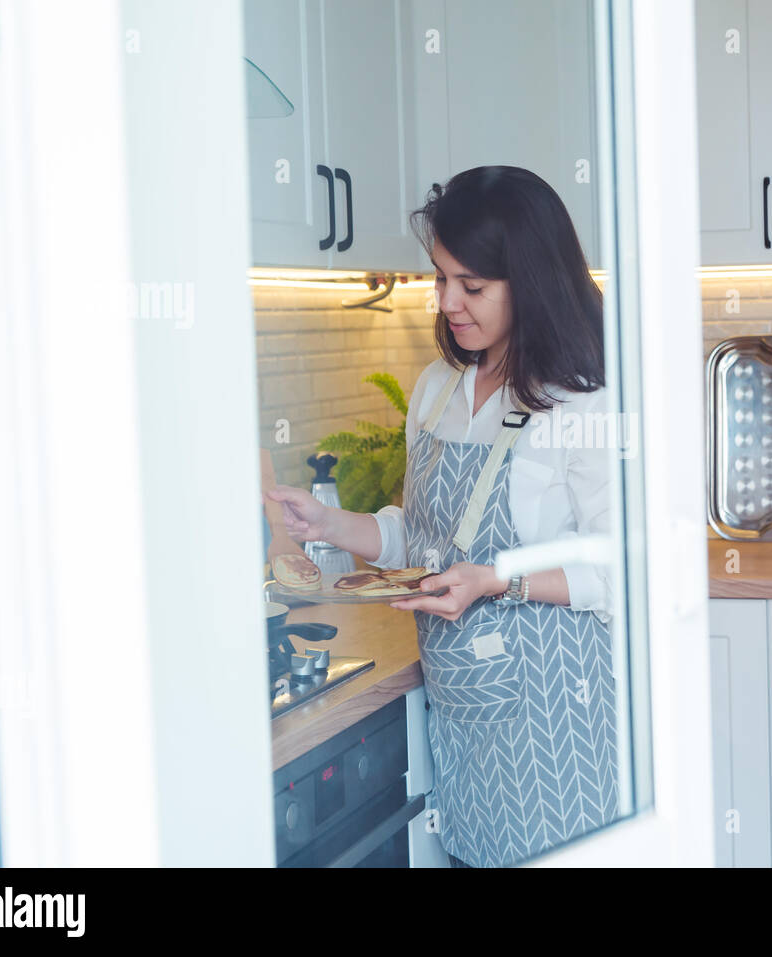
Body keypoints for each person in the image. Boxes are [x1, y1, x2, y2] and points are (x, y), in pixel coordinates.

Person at [268, 166, 620, 867]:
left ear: (532, 280)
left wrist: (497, 580)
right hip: (463, 725)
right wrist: (330, 524)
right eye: (440, 278)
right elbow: (421, 536)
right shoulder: (437, 388)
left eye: (473, 286)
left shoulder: (582, 403)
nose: (448, 301)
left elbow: (620, 565)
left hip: (557, 728)